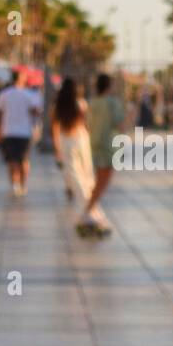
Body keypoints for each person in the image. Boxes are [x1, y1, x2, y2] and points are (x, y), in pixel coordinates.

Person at [52, 78, 105, 235]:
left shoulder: (58, 106)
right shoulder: (81, 103)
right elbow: (88, 124)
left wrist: (57, 150)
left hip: (66, 140)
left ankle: (88, 210)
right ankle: (91, 210)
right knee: (87, 175)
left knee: (75, 176)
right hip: (81, 139)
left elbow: (54, 128)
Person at [85, 73, 126, 233]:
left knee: (98, 181)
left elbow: (87, 124)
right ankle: (88, 210)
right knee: (103, 182)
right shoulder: (112, 103)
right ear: (109, 86)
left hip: (94, 145)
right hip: (109, 146)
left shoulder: (93, 103)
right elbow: (119, 123)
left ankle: (91, 209)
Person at [0, 70, 43, 197]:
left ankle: (14, 186)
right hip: (25, 132)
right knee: (24, 160)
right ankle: (23, 185)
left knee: (12, 161)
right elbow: (36, 113)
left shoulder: (3, 94)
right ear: (22, 79)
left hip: (8, 131)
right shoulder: (29, 95)